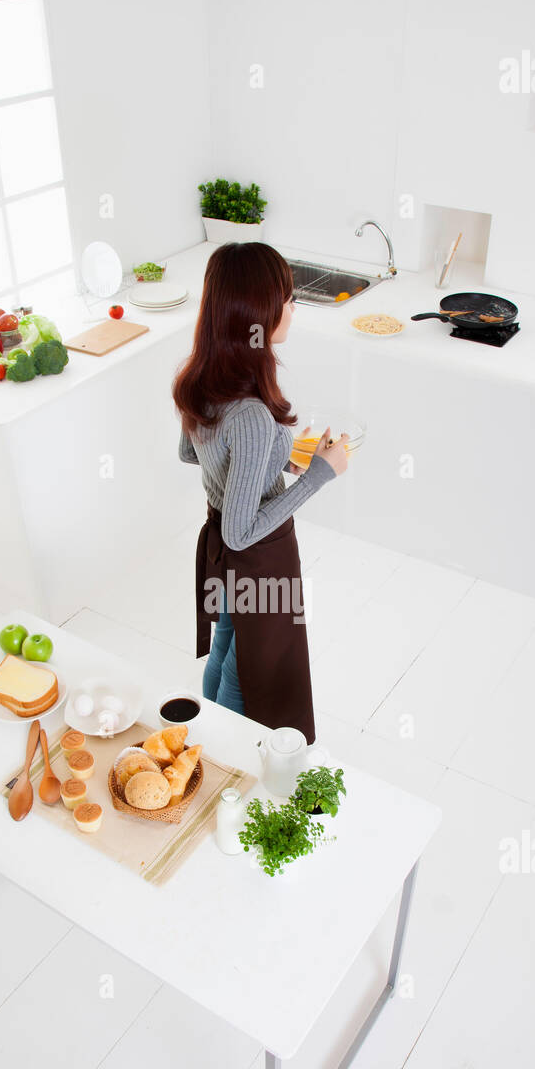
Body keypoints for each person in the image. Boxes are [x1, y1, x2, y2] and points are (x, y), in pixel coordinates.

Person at [172, 242, 348, 744]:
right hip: (257, 559)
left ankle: (201, 741)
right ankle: (222, 755)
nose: (292, 308)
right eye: (287, 299)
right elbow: (243, 530)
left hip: (223, 555)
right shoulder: (250, 413)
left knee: (227, 643)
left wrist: (275, 460)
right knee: (250, 673)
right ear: (257, 312)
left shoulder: (200, 377)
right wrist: (318, 474)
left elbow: (193, 454)